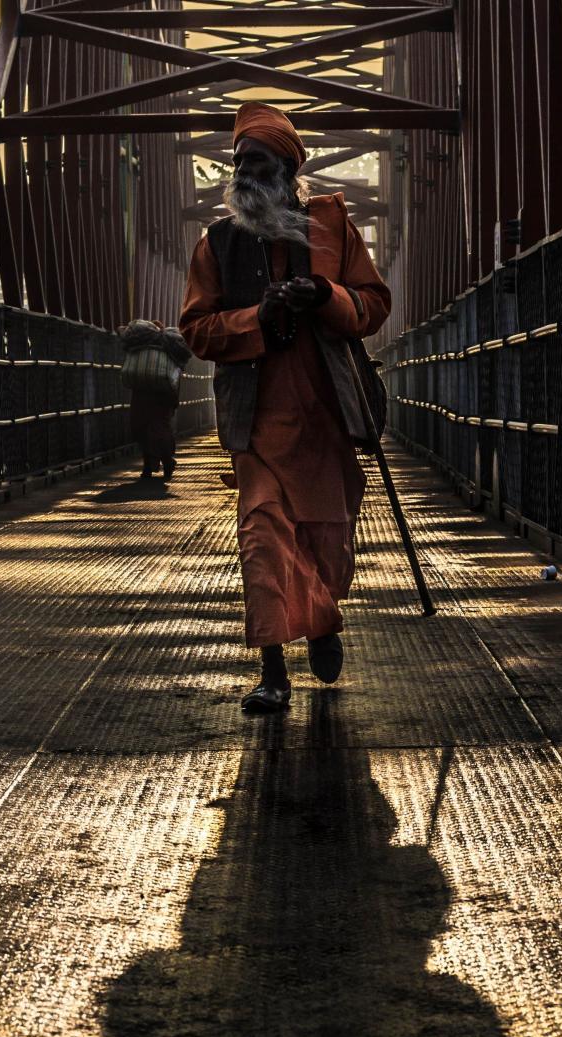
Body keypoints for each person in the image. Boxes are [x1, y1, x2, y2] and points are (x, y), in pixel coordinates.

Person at [179, 102, 391, 713]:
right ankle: (273, 672)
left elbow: (373, 305)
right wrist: (256, 316)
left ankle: (322, 624)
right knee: (264, 543)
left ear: (288, 170)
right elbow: (195, 330)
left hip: (326, 420)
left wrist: (325, 295)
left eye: (258, 162)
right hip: (257, 426)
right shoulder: (216, 244)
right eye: (239, 161)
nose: (245, 171)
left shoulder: (333, 229)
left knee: (327, 543)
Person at [119, 319, 191, 482]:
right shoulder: (170, 345)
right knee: (161, 427)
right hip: (164, 393)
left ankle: (148, 466)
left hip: (141, 393)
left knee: (140, 426)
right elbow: (177, 370)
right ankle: (166, 462)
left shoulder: (139, 342)